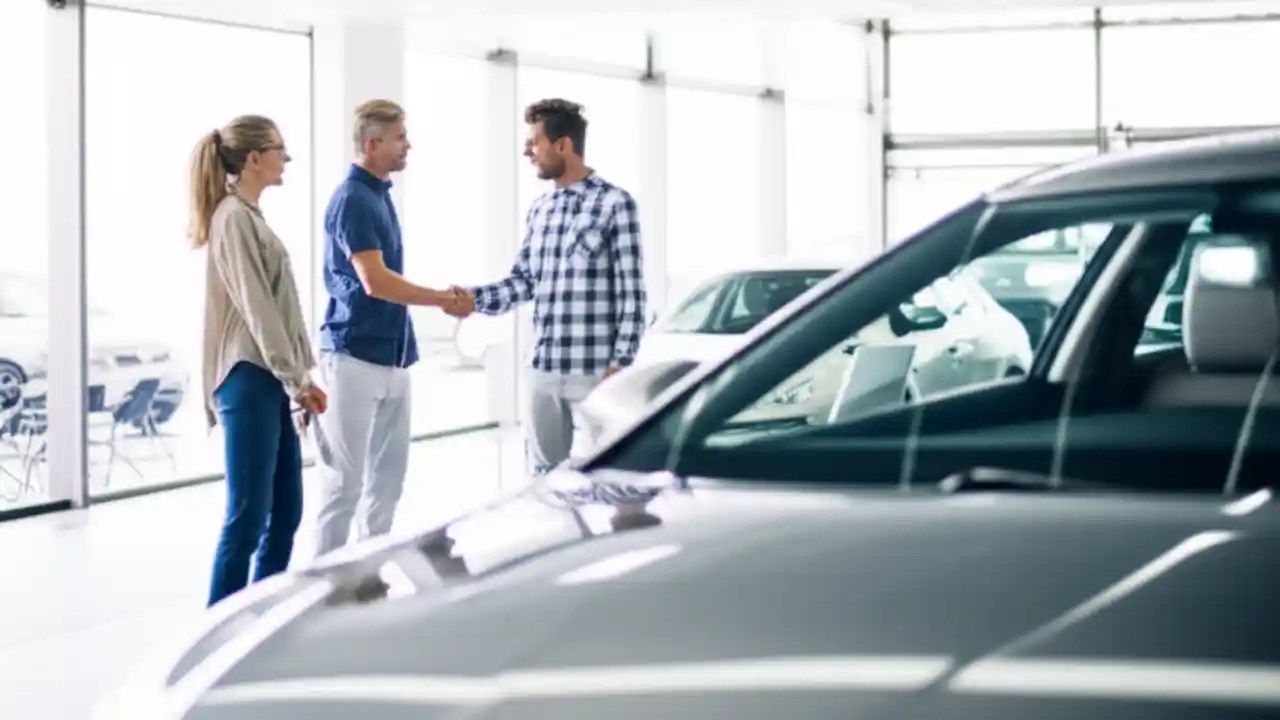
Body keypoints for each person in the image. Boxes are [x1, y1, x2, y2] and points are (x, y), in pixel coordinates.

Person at [448, 98, 647, 474]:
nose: (527, 150)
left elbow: (633, 296)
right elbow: (523, 282)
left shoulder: (615, 204)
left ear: (563, 144)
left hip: (594, 372)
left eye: (534, 141)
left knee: (603, 475)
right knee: (542, 481)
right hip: (542, 369)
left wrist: (619, 365)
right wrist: (473, 300)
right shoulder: (541, 209)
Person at [313, 99, 462, 556]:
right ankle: (326, 585)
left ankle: (368, 575)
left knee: (388, 481)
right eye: (400, 138)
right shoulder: (353, 199)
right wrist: (441, 299)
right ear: (373, 143)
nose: (408, 145)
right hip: (353, 357)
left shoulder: (378, 195)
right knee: (344, 485)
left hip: (394, 358)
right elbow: (374, 283)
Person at [191, 115, 327, 607]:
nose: (285, 158)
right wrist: (297, 381)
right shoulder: (232, 218)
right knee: (247, 516)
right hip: (250, 378)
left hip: (270, 378)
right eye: (279, 149)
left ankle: (257, 620)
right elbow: (258, 309)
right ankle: (215, 632)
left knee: (285, 513)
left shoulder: (247, 216)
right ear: (253, 158)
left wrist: (296, 378)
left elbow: (275, 311)